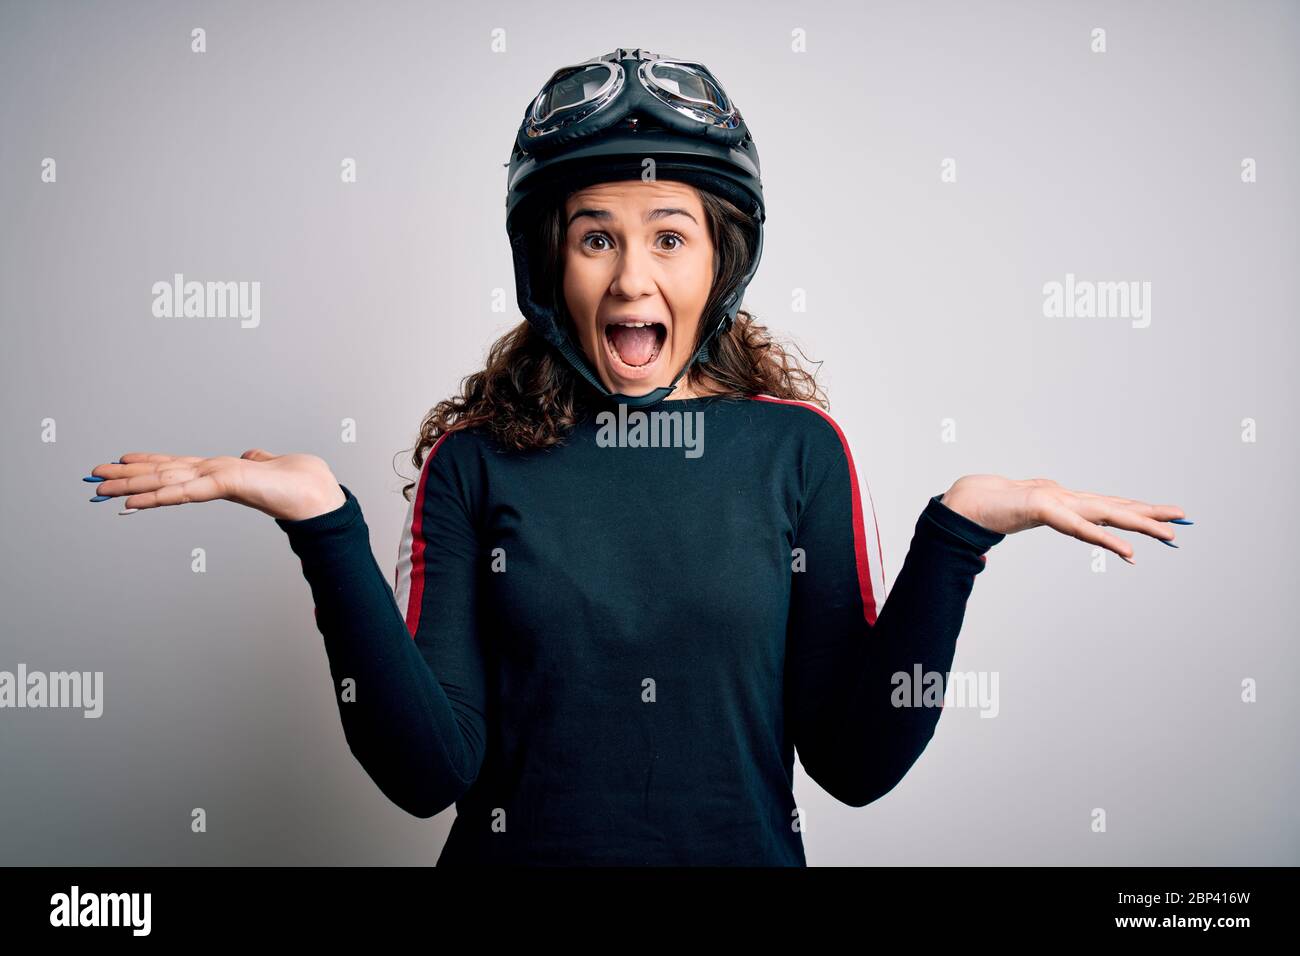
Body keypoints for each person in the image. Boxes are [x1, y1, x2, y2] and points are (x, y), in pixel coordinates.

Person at [83, 49, 1190, 865]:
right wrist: (323, 526)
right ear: (548, 262)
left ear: (720, 261)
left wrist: (958, 535)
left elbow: (852, 762)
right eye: (595, 234)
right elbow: (428, 773)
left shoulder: (798, 452)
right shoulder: (474, 467)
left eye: (668, 233)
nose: (629, 279)